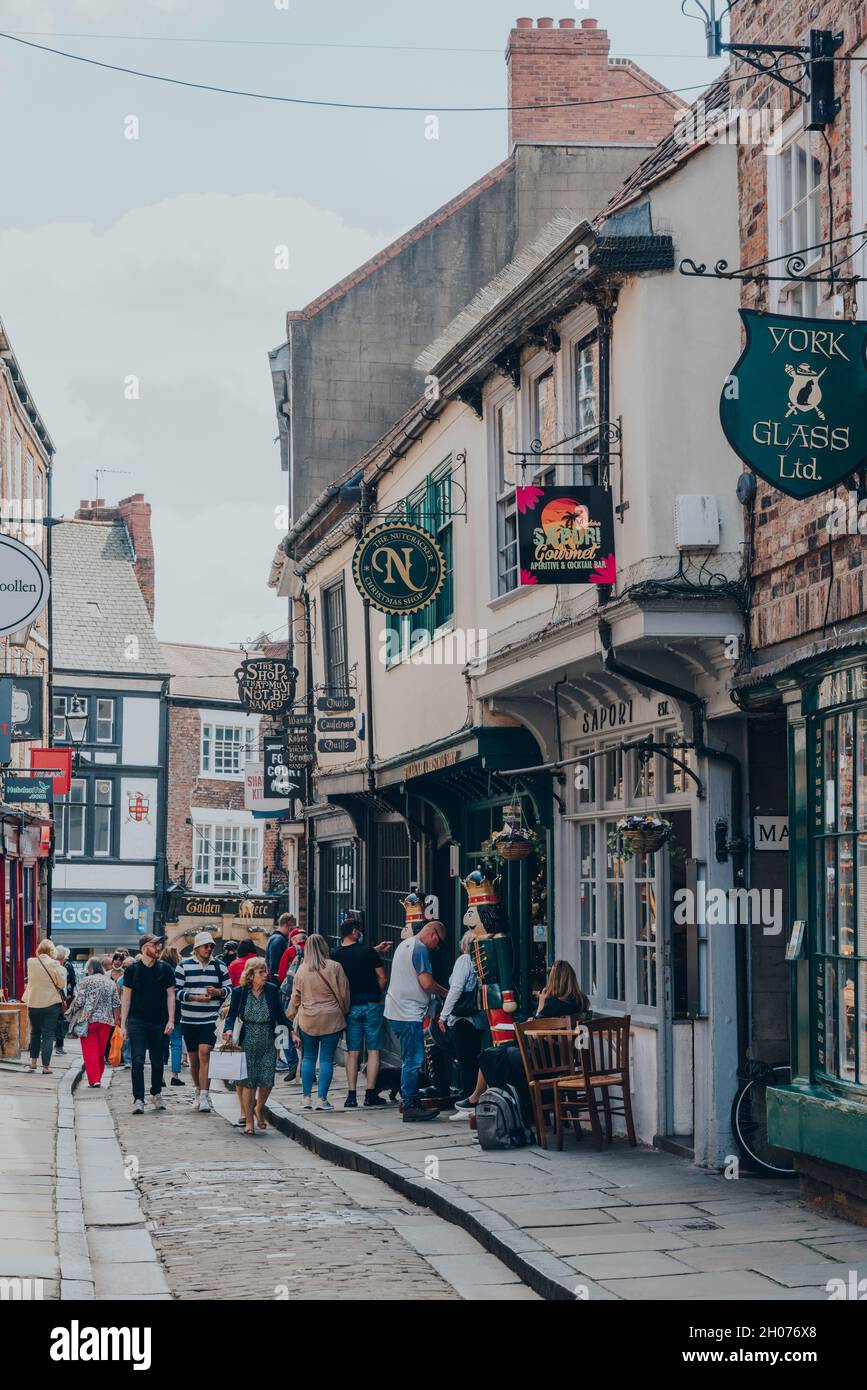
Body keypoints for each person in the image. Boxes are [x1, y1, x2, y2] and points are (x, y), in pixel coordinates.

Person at [451, 960, 590, 1121]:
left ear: (555, 980)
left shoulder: (553, 1004)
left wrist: (541, 1006)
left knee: (491, 1055)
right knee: (501, 1054)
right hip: (569, 1060)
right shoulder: (581, 1002)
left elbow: (533, 1034)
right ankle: (486, 1102)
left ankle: (485, 1102)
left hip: (544, 1062)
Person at [383, 919, 448, 1123]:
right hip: (407, 1012)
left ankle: (411, 1099)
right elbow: (427, 983)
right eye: (438, 943)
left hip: (397, 1009)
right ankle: (411, 1104)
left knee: (410, 1058)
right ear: (433, 934)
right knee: (413, 1059)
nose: (437, 947)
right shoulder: (420, 949)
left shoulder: (406, 944)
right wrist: (445, 992)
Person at [223, 957, 289, 1135]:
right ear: (251, 974)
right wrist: (228, 1030)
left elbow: (280, 1016)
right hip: (247, 1040)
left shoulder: (272, 990)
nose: (266, 975)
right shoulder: (240, 992)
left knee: (267, 1082)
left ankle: (259, 1108)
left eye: (265, 971)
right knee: (249, 1083)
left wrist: (292, 1032)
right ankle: (249, 1120)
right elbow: (231, 1016)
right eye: (261, 972)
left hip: (268, 1040)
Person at [286, 934, 349, 1111]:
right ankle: (322, 1099)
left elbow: (295, 998)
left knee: (308, 1058)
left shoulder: (302, 970)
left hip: (308, 1019)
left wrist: (290, 1017)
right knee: (327, 1059)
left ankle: (306, 1098)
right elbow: (344, 994)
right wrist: (342, 1011)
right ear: (324, 947)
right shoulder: (335, 967)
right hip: (331, 1017)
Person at [333, 913, 387, 1109]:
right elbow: (382, 978)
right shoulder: (369, 952)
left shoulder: (336, 955)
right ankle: (370, 1094)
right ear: (355, 932)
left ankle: (352, 1095)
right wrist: (375, 991)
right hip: (372, 1004)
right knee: (373, 1051)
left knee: (353, 1052)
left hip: (351, 1007)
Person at [173, 931, 232, 1113]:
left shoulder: (219, 967)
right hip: (189, 1018)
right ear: (197, 947)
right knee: (193, 1059)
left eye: (211, 946)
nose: (209, 949)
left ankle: (205, 1095)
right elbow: (176, 991)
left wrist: (218, 992)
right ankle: (198, 1090)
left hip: (210, 1018)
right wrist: (195, 997)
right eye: (206, 946)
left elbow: (230, 989)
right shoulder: (183, 966)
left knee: (205, 1053)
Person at [119, 934, 176, 1114]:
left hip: (159, 1021)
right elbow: (126, 999)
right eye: (155, 945)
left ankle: (156, 1093)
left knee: (158, 1062)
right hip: (137, 1022)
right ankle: (138, 1098)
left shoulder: (165, 969)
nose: (159, 948)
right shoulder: (132, 970)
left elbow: (171, 995)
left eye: (160, 945)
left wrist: (171, 1019)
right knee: (137, 1061)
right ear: (144, 948)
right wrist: (123, 1025)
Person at [438, 930, 487, 1100]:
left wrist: (443, 1015)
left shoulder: (465, 960)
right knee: (475, 1060)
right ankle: (475, 1095)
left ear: (465, 944)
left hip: (463, 1019)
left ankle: (469, 1097)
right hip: (479, 1020)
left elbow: (456, 989)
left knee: (466, 1061)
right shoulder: (481, 962)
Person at [67, 959, 120, 1088]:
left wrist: (70, 1011)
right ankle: (98, 1076)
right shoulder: (110, 982)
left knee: (90, 1050)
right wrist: (117, 1020)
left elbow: (79, 1001)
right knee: (101, 1050)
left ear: (90, 969)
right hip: (106, 1021)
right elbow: (116, 1004)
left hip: (88, 1020)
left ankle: (95, 1079)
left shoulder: (86, 981)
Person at [25, 939, 68, 1074]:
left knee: (35, 1032)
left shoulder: (31, 962)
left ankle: (33, 1062)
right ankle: (45, 1067)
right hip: (50, 1003)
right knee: (48, 1035)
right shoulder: (54, 964)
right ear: (51, 951)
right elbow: (61, 984)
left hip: (33, 1003)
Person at [160, 946, 186, 1086]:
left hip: (160, 1010)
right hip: (176, 1010)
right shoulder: (179, 969)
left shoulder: (159, 968)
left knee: (159, 1043)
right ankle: (175, 1076)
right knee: (176, 1043)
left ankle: (160, 1076)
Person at [53, 945, 77, 1054]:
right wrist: (66, 999)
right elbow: (72, 982)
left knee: (51, 1022)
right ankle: (59, 1046)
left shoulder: (50, 966)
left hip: (49, 998)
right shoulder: (67, 967)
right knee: (61, 1021)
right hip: (62, 998)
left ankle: (51, 1044)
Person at [266, 913, 295, 981]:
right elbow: (274, 965)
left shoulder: (276, 938)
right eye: (292, 926)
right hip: (276, 982)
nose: (293, 929)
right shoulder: (278, 940)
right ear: (287, 924)